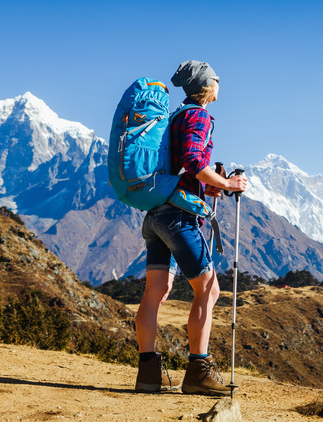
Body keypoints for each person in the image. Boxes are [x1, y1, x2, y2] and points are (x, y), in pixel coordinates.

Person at [134, 60, 247, 395]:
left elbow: (181, 167)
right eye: (216, 78)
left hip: (155, 214)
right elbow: (194, 162)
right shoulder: (197, 115)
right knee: (209, 290)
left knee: (155, 293)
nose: (219, 82)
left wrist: (209, 185)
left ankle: (148, 374)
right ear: (207, 85)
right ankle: (198, 371)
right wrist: (228, 184)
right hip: (179, 217)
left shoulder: (174, 117)